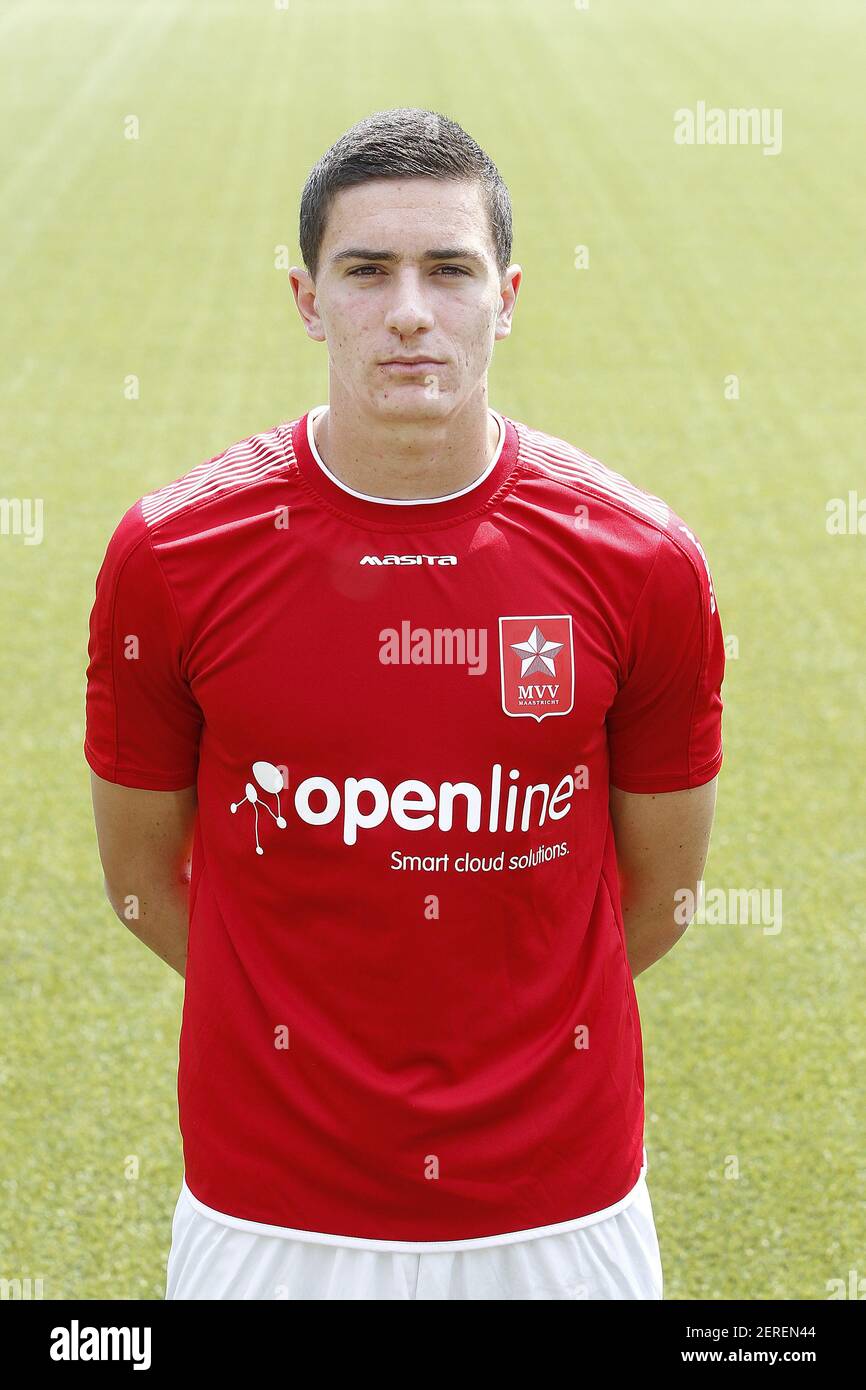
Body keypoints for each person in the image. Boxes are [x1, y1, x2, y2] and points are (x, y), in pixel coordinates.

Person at [84, 108, 724, 1301]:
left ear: (507, 296)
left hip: (559, 1209)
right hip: (267, 1210)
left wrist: (507, 1053)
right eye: (366, 271)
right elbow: (141, 879)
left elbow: (658, 898)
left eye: (449, 270)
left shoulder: (640, 561)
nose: (410, 312)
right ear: (306, 299)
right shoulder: (171, 555)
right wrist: (309, 1044)